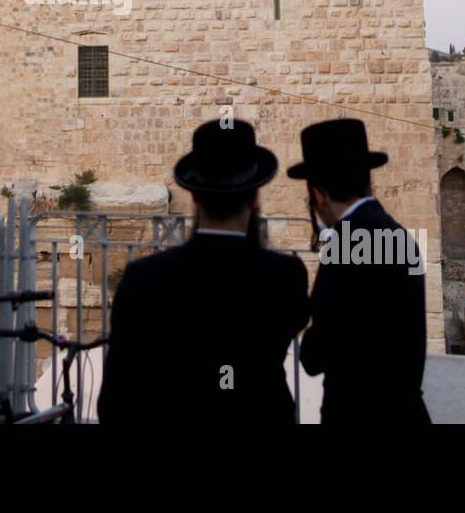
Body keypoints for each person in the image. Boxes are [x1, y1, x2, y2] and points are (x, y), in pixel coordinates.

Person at [97, 119, 309, 424]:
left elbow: (116, 400)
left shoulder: (144, 278)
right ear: (254, 197)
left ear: (194, 196)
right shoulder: (285, 276)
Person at [289, 118, 430, 424]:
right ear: (368, 182)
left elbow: (315, 357)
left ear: (318, 195)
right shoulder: (400, 236)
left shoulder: (347, 243)